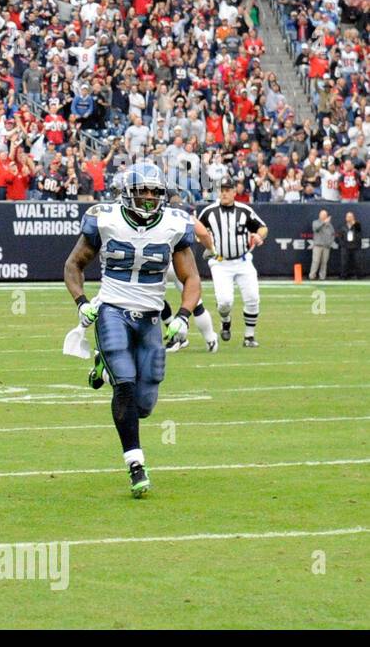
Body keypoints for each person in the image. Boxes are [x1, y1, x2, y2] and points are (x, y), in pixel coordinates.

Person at [65, 163, 203, 498]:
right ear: (128, 193)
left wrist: (183, 315)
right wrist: (82, 302)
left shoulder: (175, 224)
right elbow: (74, 264)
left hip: (151, 316)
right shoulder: (106, 218)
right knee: (124, 384)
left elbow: (191, 278)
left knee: (144, 404)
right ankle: (136, 465)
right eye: (142, 191)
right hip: (112, 309)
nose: (148, 198)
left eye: (155, 192)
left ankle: (102, 363)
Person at [197, 175, 268, 347]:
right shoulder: (209, 212)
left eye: (227, 190)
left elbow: (263, 227)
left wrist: (258, 236)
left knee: (252, 298)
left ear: (235, 192)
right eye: (222, 190)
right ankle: (225, 320)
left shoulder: (244, 210)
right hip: (220, 262)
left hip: (243, 260)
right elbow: (197, 230)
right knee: (224, 302)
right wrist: (206, 244)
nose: (224, 193)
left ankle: (249, 337)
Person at [310, 210, 335, 280]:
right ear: (319, 215)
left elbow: (333, 234)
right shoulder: (315, 222)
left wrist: (330, 242)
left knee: (324, 262)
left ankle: (322, 277)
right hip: (318, 246)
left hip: (326, 247)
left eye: (325, 215)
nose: (324, 216)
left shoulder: (330, 225)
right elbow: (316, 229)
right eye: (323, 215)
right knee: (316, 261)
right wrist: (324, 223)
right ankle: (312, 276)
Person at [343, 211, 364, 279]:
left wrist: (354, 223)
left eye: (350, 216)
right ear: (346, 218)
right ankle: (344, 276)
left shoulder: (357, 225)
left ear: (353, 217)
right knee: (345, 263)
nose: (349, 218)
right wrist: (343, 244)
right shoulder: (343, 226)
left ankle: (359, 276)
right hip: (346, 247)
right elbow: (340, 236)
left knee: (358, 262)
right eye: (348, 217)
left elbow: (359, 231)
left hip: (356, 247)